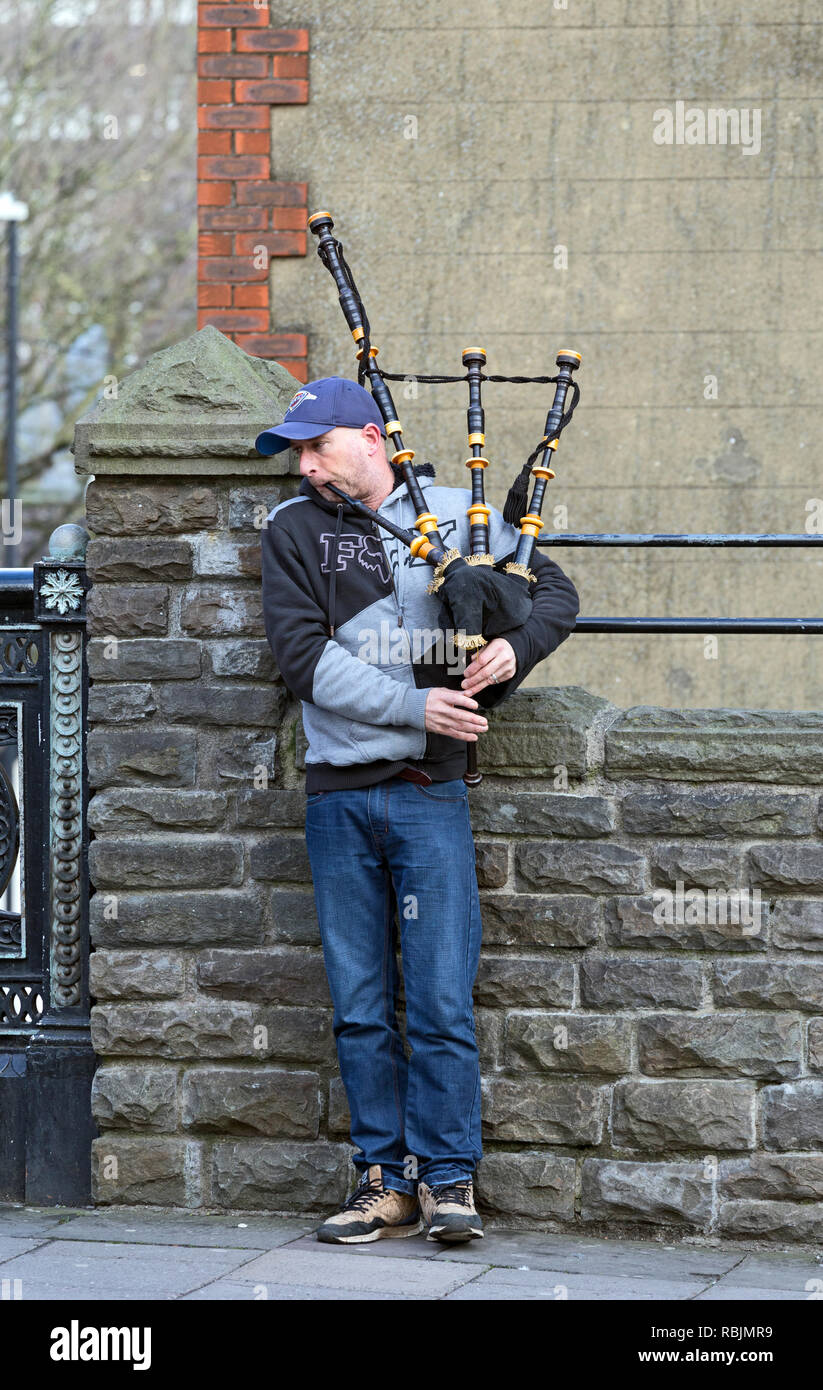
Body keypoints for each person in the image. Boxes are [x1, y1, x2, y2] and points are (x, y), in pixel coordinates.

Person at [257, 376, 579, 1244]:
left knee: (437, 999)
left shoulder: (453, 513)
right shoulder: (292, 530)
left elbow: (554, 593)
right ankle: (381, 1181)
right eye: (296, 450)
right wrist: (415, 708)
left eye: (316, 445)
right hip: (338, 796)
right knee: (360, 1003)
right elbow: (300, 660)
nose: (304, 463)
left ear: (369, 437)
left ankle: (446, 1183)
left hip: (432, 796)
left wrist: (514, 646)